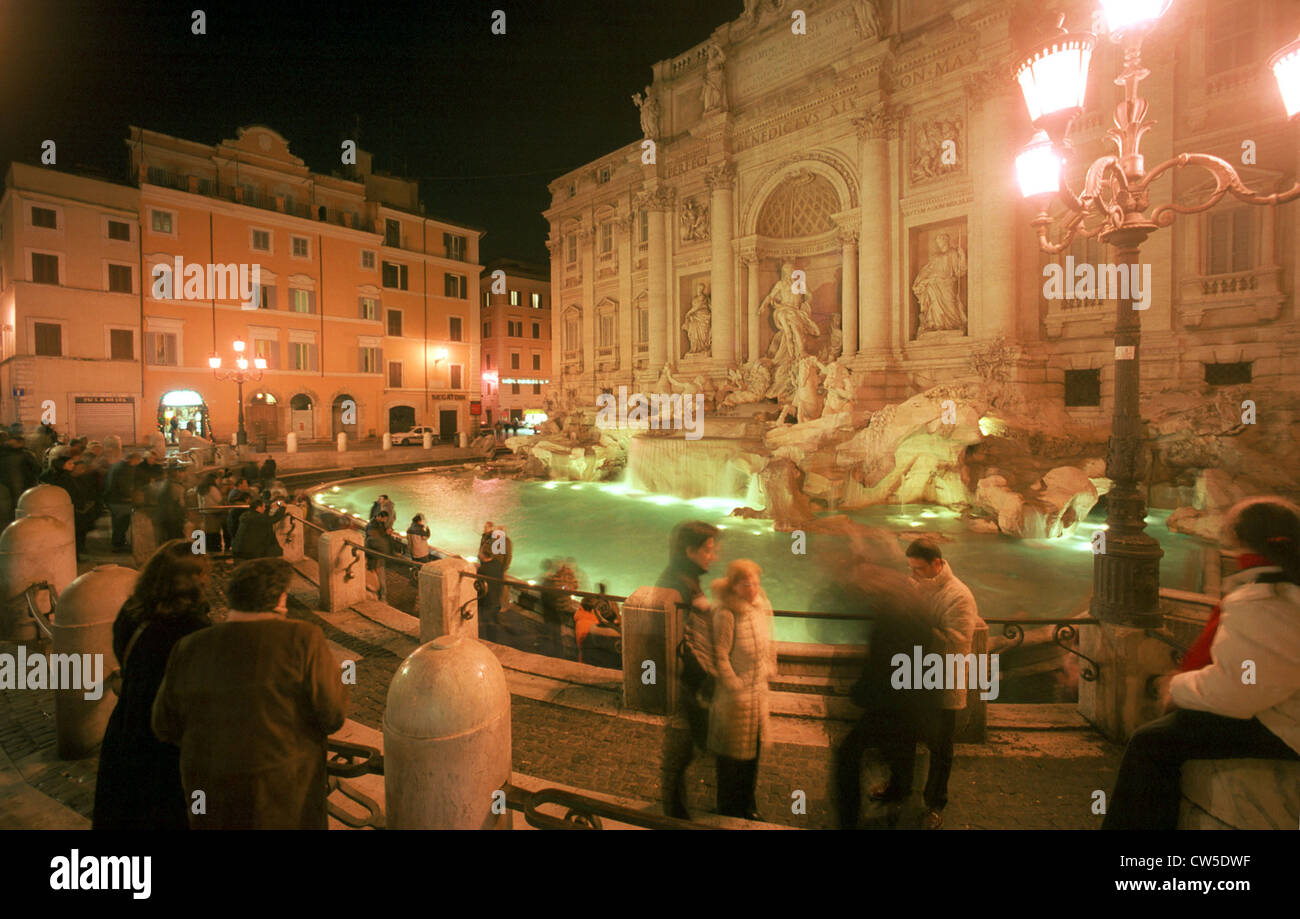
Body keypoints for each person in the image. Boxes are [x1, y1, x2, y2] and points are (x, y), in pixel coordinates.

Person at [1103, 497, 1300, 830]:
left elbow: (1239, 693)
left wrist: (1175, 687)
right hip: (1285, 707)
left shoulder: (1261, 601)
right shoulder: (1282, 586)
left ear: (1238, 539)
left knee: (1150, 742)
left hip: (1286, 725)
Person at [152, 558, 347, 829]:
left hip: (211, 794)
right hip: (284, 794)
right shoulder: (304, 638)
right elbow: (333, 714)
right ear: (280, 599)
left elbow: (164, 725)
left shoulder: (189, 646)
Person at [93, 540, 212, 829]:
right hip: (170, 741)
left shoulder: (131, 614)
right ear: (193, 580)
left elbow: (127, 661)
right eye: (202, 573)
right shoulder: (196, 630)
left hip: (128, 728)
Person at [833, 557, 938, 830]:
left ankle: (848, 821)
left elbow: (882, 663)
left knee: (848, 754)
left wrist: (860, 693)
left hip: (894, 702)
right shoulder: (910, 601)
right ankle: (899, 796)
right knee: (903, 747)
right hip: (914, 696)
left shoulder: (892, 612)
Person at [890, 537, 980, 830]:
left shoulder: (959, 596)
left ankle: (934, 805)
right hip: (914, 675)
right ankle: (899, 787)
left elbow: (957, 641)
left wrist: (917, 624)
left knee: (941, 748)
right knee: (903, 735)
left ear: (937, 565)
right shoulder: (918, 585)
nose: (912, 575)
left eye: (918, 569)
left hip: (942, 679)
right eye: (910, 569)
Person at [657, 520, 721, 820]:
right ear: (690, 550)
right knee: (683, 753)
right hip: (687, 685)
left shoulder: (685, 579)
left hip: (691, 684)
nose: (714, 555)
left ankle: (680, 812)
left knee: (687, 753)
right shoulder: (678, 585)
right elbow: (678, 641)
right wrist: (704, 678)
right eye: (708, 549)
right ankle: (677, 816)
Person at [708, 560, 775, 820]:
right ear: (734, 586)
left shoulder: (760, 606)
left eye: (756, 582)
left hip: (757, 696)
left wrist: (770, 664)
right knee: (731, 760)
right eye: (746, 583)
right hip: (735, 702)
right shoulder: (726, 614)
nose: (753, 588)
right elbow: (721, 655)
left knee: (753, 755)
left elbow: (769, 639)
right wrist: (735, 685)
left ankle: (748, 805)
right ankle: (728, 810)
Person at [477, 522, 513, 639]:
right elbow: (486, 551)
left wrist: (502, 569)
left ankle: (500, 612)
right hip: (492, 568)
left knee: (497, 594)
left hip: (495, 570)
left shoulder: (504, 542)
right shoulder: (492, 540)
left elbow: (506, 558)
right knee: (494, 595)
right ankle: (496, 615)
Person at [538, 559, 578, 659]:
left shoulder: (550, 581)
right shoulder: (553, 583)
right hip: (554, 614)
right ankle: (554, 657)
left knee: (554, 636)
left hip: (551, 613)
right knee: (555, 636)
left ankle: (551, 656)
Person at [103, 452, 143, 551]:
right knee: (122, 523)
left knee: (117, 523)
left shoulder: (117, 465)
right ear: (133, 459)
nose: (138, 463)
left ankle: (119, 542)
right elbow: (124, 486)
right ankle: (118, 545)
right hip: (120, 501)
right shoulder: (125, 469)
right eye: (138, 460)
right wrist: (131, 496)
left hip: (113, 499)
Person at [232, 496, 286, 562]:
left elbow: (263, 514)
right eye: (263, 506)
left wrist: (272, 505)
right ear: (258, 508)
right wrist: (283, 508)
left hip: (240, 548)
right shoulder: (259, 518)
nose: (265, 508)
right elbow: (274, 519)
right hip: (251, 551)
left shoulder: (246, 515)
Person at [365, 511, 395, 600]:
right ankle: (382, 597)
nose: (385, 520)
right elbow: (377, 540)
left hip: (377, 555)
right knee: (380, 577)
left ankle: (379, 595)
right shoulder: (372, 527)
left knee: (377, 575)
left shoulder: (378, 524)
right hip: (376, 556)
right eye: (384, 519)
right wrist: (387, 534)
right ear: (379, 517)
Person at [198, 473, 226, 553]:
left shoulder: (201, 489)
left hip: (205, 512)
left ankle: (208, 549)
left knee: (208, 532)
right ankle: (216, 550)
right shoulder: (212, 489)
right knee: (214, 533)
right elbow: (219, 500)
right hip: (214, 513)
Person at [225, 477, 252, 549]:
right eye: (245, 484)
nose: (247, 486)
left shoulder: (236, 493)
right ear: (240, 485)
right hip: (235, 519)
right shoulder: (236, 494)